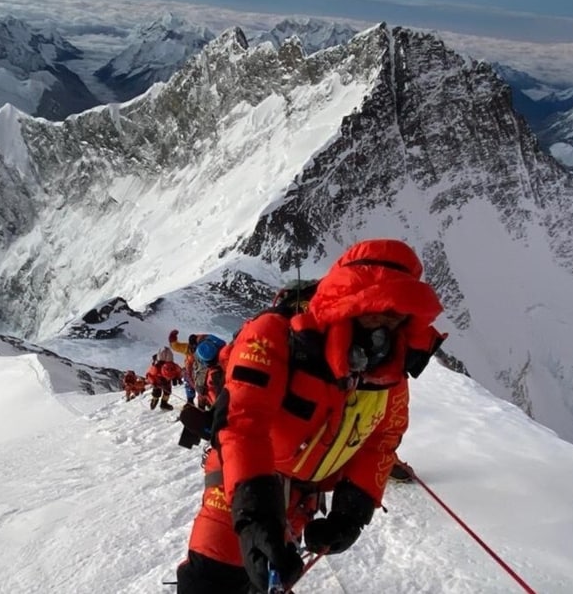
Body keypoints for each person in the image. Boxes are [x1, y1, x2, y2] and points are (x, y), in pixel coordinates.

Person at [175, 239, 446, 594]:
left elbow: (383, 440)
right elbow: (243, 423)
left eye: (396, 314)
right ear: (348, 302)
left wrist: (353, 511)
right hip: (241, 482)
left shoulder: (389, 372)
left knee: (266, 579)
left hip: (300, 499)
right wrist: (255, 514)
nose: (384, 326)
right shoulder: (274, 335)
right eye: (375, 309)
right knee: (211, 579)